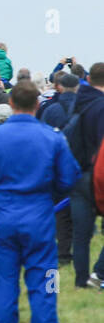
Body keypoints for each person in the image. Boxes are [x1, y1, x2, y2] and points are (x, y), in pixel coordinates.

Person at [0, 81, 78, 323]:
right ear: (38, 105)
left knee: (4, 287)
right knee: (45, 286)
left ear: (10, 103)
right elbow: (69, 178)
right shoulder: (53, 137)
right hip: (40, 219)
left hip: (1, 219)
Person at [65, 63, 104, 288]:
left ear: (89, 80)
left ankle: (81, 281)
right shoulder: (100, 107)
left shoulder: (78, 103)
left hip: (77, 175)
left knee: (81, 235)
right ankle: (98, 273)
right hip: (98, 173)